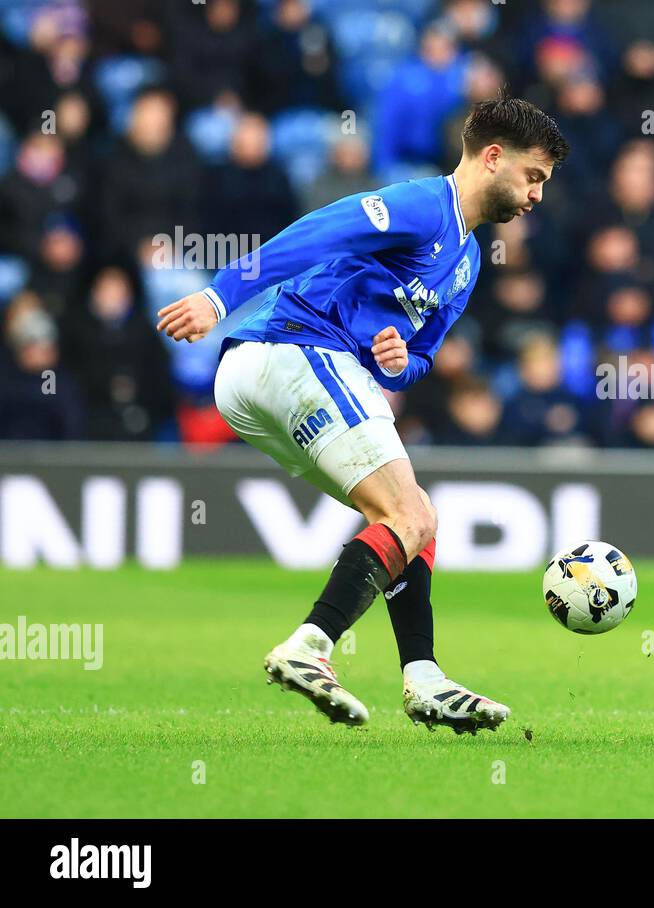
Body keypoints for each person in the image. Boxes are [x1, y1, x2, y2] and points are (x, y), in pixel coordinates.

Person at [155, 96, 568, 734]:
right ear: (493, 158)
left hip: (265, 379)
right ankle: (311, 645)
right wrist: (220, 294)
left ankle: (424, 676)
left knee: (412, 522)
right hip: (289, 347)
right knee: (412, 515)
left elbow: (421, 358)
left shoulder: (466, 261)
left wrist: (401, 362)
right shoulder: (422, 205)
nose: (538, 195)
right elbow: (321, 230)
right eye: (534, 176)